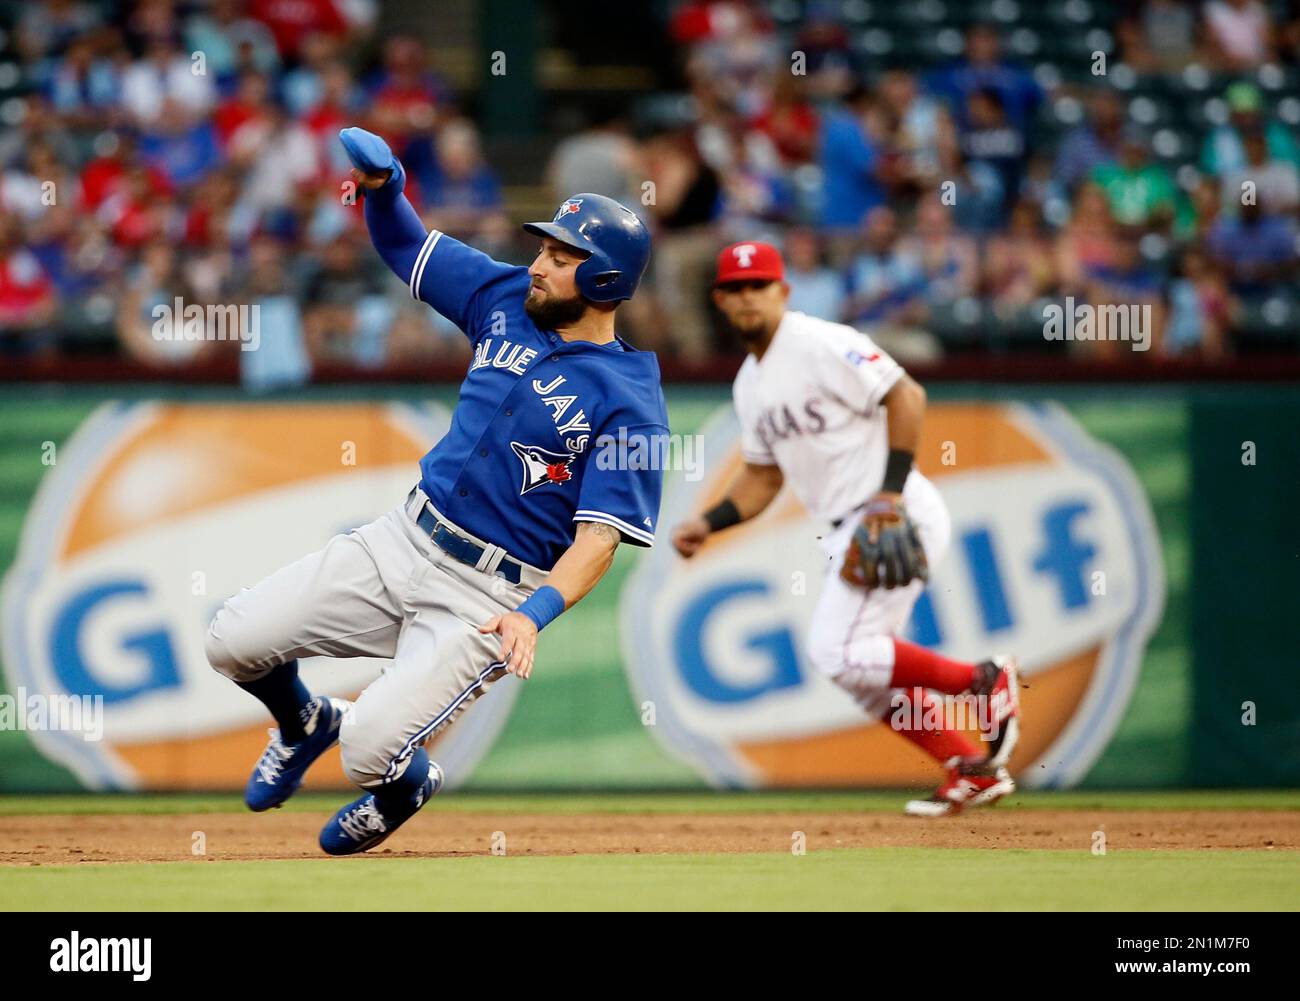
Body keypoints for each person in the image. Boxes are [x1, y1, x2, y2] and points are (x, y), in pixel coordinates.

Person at [204, 127, 668, 854]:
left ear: (605, 279)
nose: (541, 263)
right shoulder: (508, 296)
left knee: (365, 751)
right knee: (232, 641)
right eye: (545, 247)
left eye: (562, 255)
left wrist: (533, 615)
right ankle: (302, 722)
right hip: (404, 537)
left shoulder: (632, 400)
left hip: (485, 597)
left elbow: (601, 538)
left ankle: (402, 783)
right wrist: (387, 192)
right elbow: (407, 249)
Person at [671, 241, 1021, 816]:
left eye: (758, 285)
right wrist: (707, 523)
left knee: (836, 652)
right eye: (735, 289)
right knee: (861, 676)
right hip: (851, 526)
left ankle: (983, 681)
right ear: (720, 301)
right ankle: (969, 768)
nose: (747, 297)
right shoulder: (749, 384)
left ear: (783, 291)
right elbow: (762, 479)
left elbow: (906, 395)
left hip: (893, 510)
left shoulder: (819, 342)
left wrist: (887, 493)